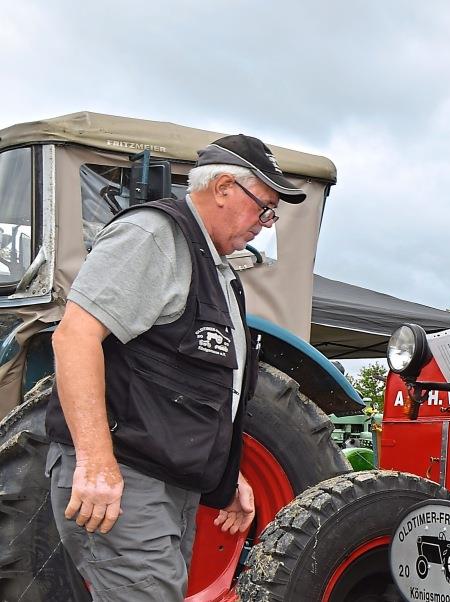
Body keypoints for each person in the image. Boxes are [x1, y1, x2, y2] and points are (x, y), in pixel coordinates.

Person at [44, 134, 307, 600]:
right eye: (264, 208)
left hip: (167, 486)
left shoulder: (216, 267)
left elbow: (199, 389)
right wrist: (97, 462)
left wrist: (229, 479)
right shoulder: (156, 235)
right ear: (224, 186)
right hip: (127, 479)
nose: (265, 225)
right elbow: (75, 335)